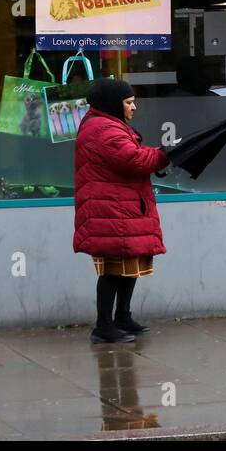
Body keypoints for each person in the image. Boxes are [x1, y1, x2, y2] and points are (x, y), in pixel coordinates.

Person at [74, 77, 171, 344]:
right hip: (111, 210)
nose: (133, 108)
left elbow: (133, 156)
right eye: (128, 102)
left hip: (121, 207)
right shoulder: (103, 129)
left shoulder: (107, 124)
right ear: (112, 104)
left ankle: (122, 317)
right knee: (113, 269)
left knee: (131, 263)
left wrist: (160, 156)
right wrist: (165, 153)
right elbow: (133, 159)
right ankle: (103, 326)